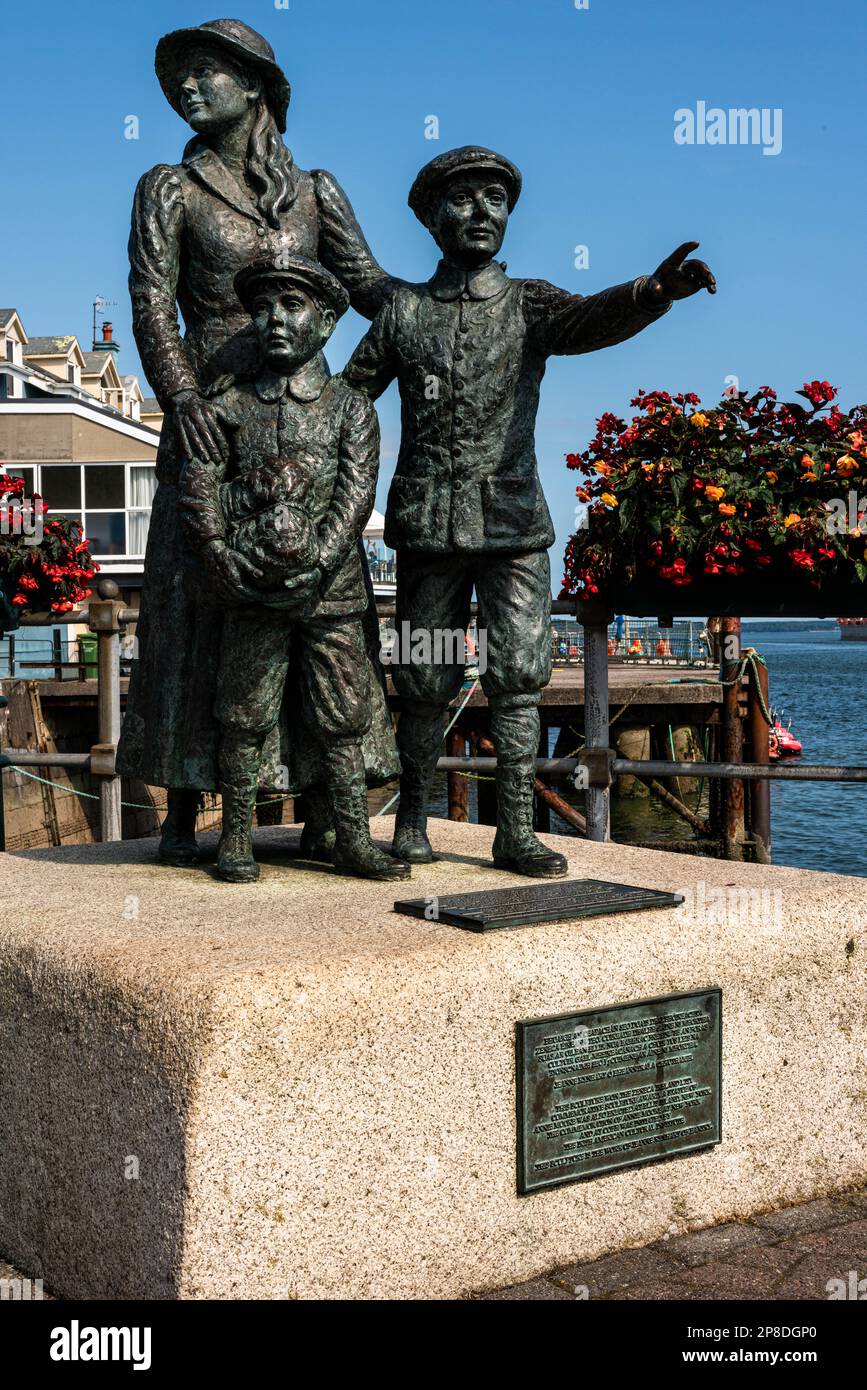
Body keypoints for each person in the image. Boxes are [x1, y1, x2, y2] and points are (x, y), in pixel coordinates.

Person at [345, 145, 715, 875]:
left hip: (512, 528)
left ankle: (514, 831)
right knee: (424, 677)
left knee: (518, 676)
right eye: (461, 198)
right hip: (427, 526)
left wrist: (651, 292)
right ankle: (411, 821)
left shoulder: (529, 304)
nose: (480, 211)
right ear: (429, 217)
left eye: (494, 198)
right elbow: (350, 398)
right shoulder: (402, 312)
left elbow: (589, 320)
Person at [116, 19, 402, 865]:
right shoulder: (168, 185)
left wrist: (357, 389)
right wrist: (181, 399)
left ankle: (323, 801)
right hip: (211, 416)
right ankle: (185, 802)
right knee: (196, 606)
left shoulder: (316, 190)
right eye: (181, 78)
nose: (189, 88)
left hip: (303, 427)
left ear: (256, 86)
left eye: (207, 73)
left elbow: (375, 291)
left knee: (315, 612)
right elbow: (150, 304)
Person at [178, 251, 410, 884]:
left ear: (328, 320)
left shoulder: (350, 409)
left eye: (292, 305)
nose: (273, 319)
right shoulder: (227, 406)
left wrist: (319, 558)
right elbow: (198, 489)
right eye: (262, 308)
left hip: (329, 592)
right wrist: (221, 557)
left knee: (343, 714)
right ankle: (234, 838)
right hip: (248, 590)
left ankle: (353, 837)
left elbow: (356, 495)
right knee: (243, 713)